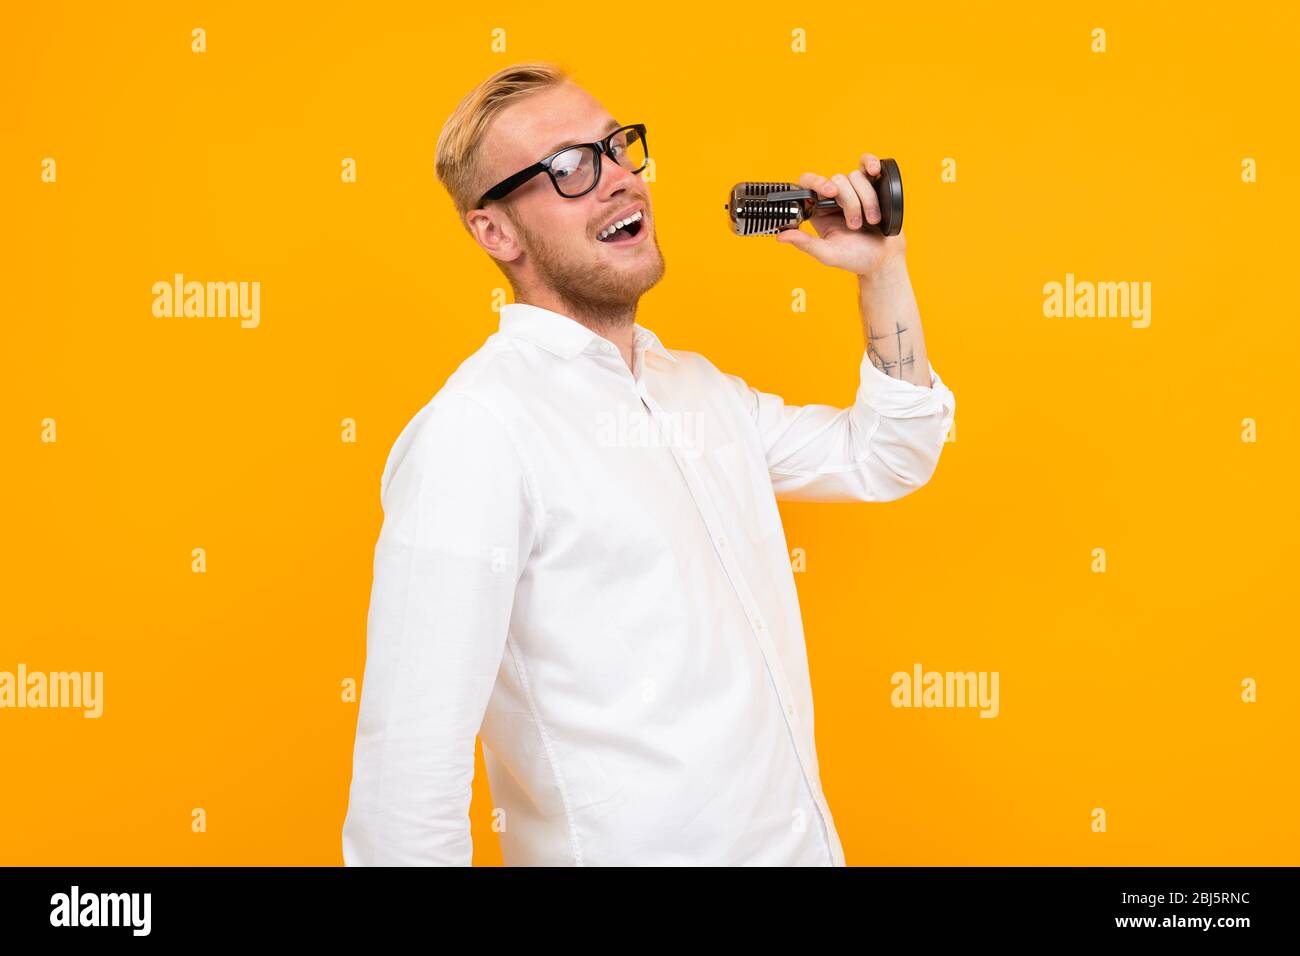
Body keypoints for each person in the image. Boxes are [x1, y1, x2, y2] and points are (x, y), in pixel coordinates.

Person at [341, 61, 956, 866]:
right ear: (494, 231)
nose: (619, 181)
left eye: (617, 147)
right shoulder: (476, 432)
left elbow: (888, 456)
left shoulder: (696, 392)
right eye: (568, 168)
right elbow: (406, 786)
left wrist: (882, 273)